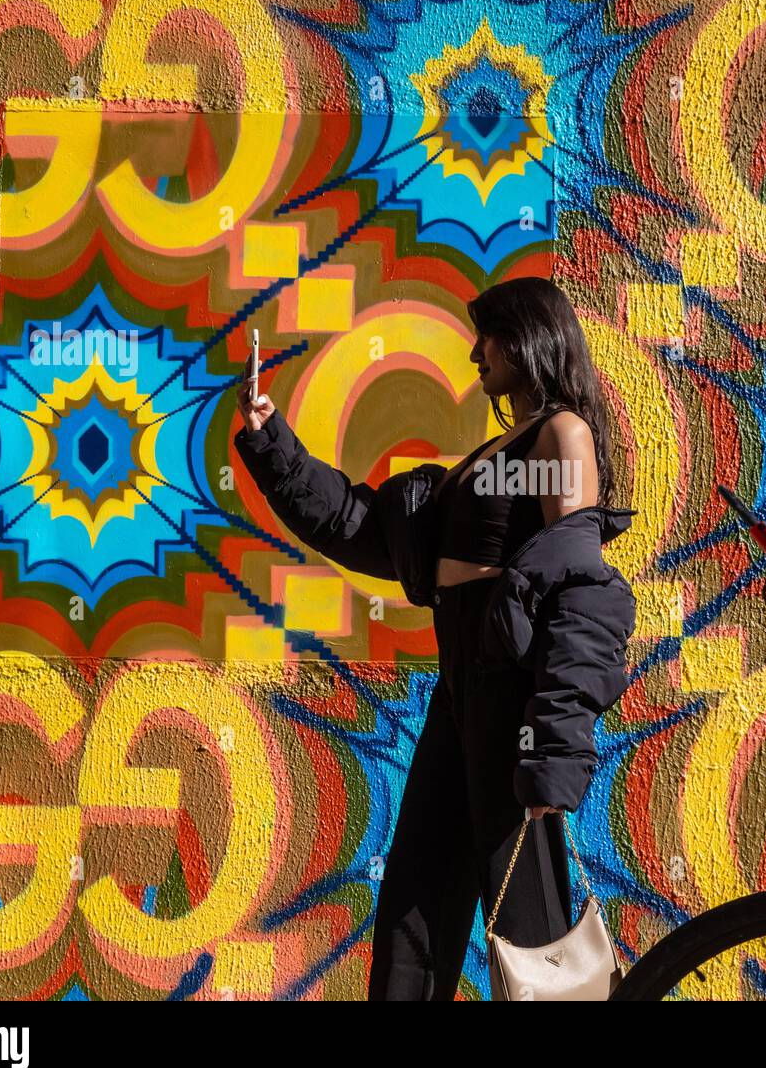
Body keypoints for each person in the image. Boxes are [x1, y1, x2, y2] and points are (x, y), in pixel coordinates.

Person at [233, 276, 637, 1000]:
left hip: (511, 703)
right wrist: (272, 443)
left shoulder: (560, 433)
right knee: (416, 905)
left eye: (488, 336)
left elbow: (580, 587)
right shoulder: (489, 453)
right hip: (460, 694)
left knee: (530, 924)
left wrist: (553, 743)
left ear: (528, 337)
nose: (476, 352)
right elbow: (363, 527)